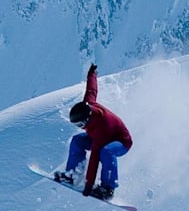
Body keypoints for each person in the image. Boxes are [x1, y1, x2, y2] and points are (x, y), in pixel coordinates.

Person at [54, 63, 133, 200]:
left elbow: (94, 159)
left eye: (80, 124)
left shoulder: (100, 128)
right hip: (104, 136)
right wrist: (92, 74)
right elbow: (91, 91)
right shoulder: (88, 105)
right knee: (77, 140)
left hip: (121, 141)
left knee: (106, 151)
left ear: (86, 120)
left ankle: (108, 188)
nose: (80, 127)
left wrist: (88, 186)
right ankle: (73, 175)